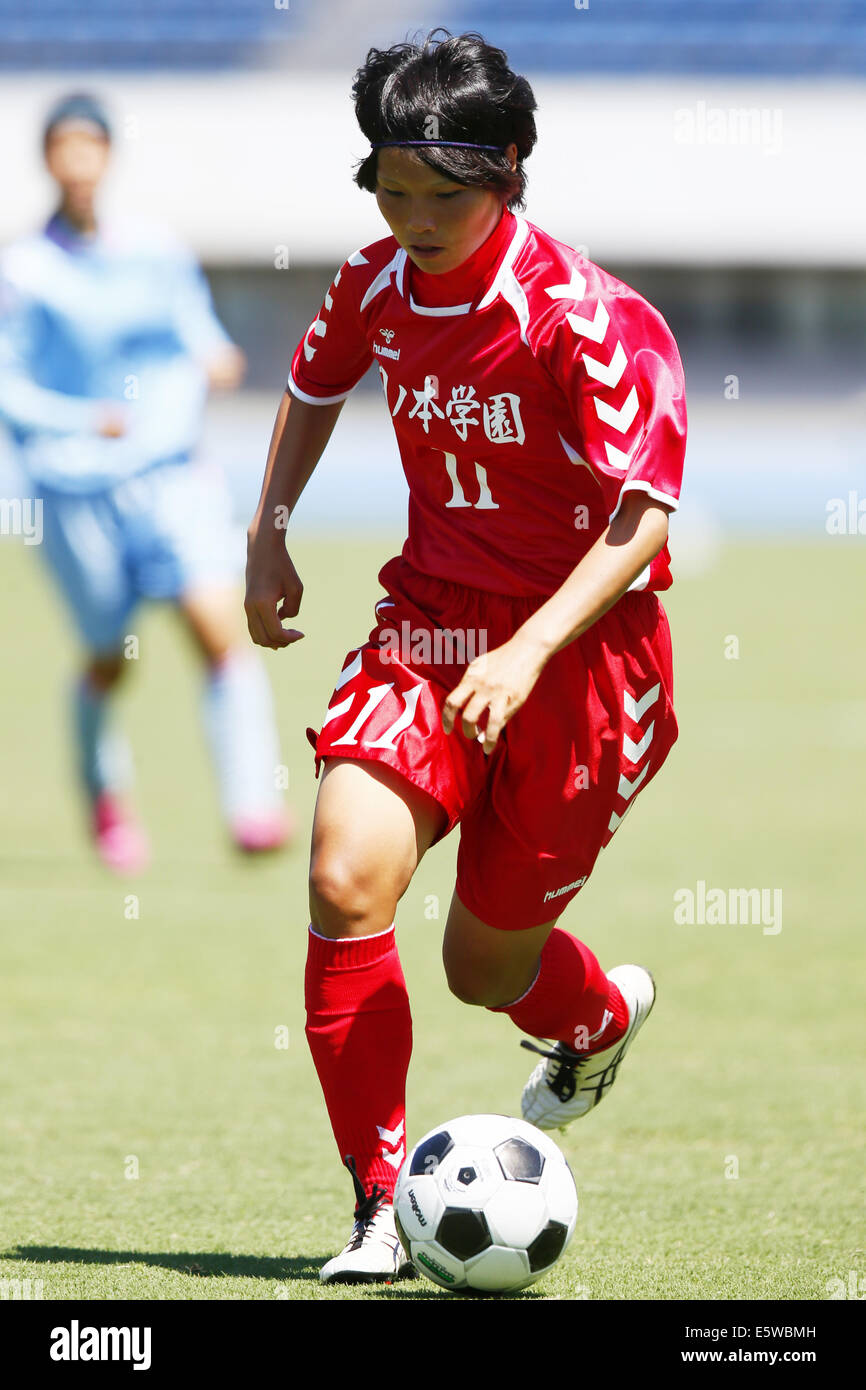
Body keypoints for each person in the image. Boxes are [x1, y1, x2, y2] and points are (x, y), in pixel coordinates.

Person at [245, 30, 686, 1284]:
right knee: (343, 883)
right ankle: (378, 1206)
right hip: (427, 629)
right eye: (391, 192)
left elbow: (643, 511)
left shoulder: (588, 320)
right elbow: (311, 382)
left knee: (480, 966)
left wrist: (532, 649)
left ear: (509, 171)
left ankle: (594, 1020)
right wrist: (266, 537)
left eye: (444, 195)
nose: (414, 219)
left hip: (587, 662)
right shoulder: (375, 284)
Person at [0, 93, 292, 871]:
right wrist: (80, 420)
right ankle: (105, 795)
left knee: (216, 629)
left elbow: (196, 331)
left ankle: (253, 806)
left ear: (107, 156)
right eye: (64, 147)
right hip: (73, 491)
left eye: (89, 145)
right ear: (48, 161)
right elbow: (9, 388)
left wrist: (217, 357)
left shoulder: (157, 251)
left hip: (169, 478)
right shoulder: (23, 271)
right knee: (110, 660)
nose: (78, 161)